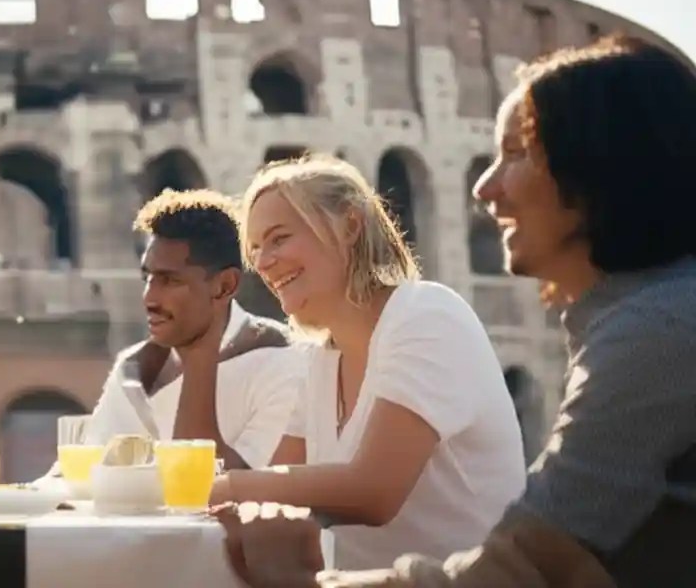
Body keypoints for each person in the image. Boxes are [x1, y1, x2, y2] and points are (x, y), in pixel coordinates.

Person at [219, 35, 696, 587]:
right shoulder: (638, 324)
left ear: (603, 161)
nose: (484, 188)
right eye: (256, 251)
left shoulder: (657, 331)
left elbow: (520, 568)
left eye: (516, 154)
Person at [210, 154, 526, 570]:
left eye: (279, 238)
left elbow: (374, 492)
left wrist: (218, 487)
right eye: (255, 250)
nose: (264, 263)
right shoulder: (318, 361)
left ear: (350, 226)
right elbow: (276, 493)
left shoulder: (427, 315)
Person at [54, 189, 306, 474]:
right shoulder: (136, 370)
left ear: (224, 286)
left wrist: (200, 358)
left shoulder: (285, 365)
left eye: (169, 280)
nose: (149, 298)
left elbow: (215, 490)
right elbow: (86, 476)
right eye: (147, 278)